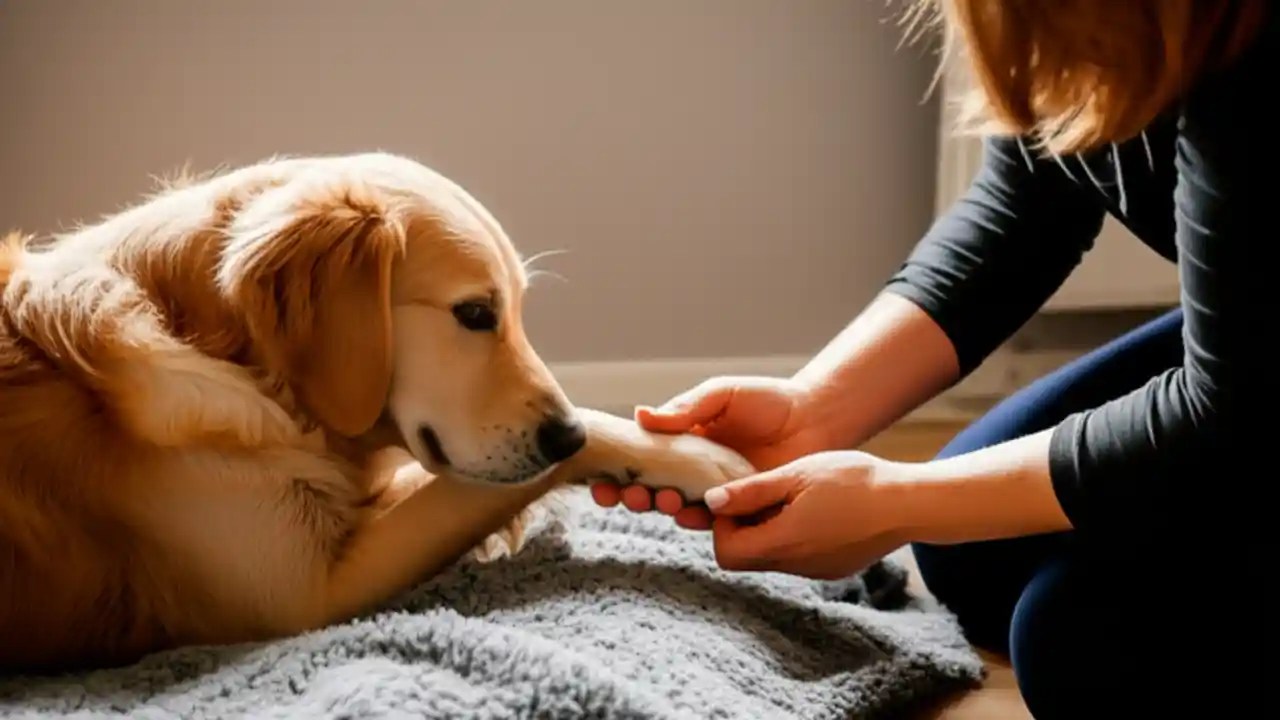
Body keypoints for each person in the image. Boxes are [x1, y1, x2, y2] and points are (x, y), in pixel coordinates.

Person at [589, 1, 1273, 716]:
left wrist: (894, 504)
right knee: (969, 556)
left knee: (1078, 643)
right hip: (1256, 348)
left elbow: (1232, 411)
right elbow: (1025, 206)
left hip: (1250, 390)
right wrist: (813, 410)